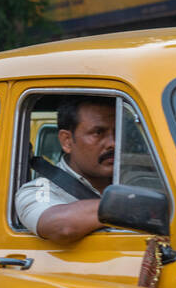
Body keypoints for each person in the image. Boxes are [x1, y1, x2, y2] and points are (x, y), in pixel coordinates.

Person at [14, 96, 117, 245]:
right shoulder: (38, 189)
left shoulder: (140, 181)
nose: (113, 143)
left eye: (119, 132)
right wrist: (133, 206)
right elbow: (61, 226)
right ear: (67, 141)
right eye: (98, 133)